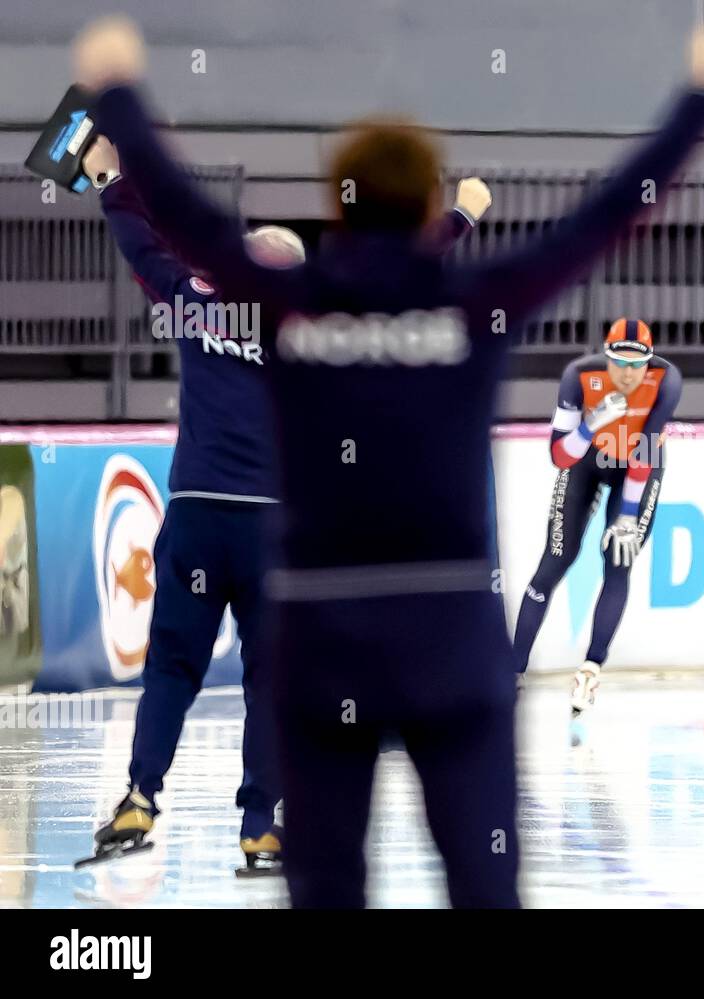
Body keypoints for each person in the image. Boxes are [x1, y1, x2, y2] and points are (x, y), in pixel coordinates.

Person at [73, 13, 704, 906]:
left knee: (328, 887)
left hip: (324, 634)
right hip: (450, 636)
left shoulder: (281, 301)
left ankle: (165, 797)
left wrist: (118, 93)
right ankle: (264, 819)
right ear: (429, 210)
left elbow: (179, 220)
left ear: (336, 199)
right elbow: (604, 217)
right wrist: (701, 101)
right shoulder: (475, 299)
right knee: (482, 881)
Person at [77, 137, 489, 875]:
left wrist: (110, 173)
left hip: (198, 513)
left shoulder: (197, 302)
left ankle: (141, 792)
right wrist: (461, 213)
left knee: (172, 667)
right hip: (274, 526)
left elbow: (139, 242)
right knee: (270, 678)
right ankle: (261, 823)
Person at [512, 318, 681, 714]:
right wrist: (590, 426)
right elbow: (559, 457)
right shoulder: (578, 376)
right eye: (618, 363)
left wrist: (626, 515)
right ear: (605, 360)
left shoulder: (666, 380)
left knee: (619, 560)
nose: (626, 373)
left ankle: (590, 669)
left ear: (649, 362)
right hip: (586, 461)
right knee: (554, 563)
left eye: (636, 365)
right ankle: (512, 671)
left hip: (637, 465)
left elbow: (646, 451)